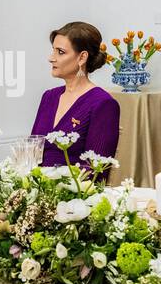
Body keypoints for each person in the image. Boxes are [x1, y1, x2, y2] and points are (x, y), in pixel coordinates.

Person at [30, 22, 120, 178]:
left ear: (82, 57)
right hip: (37, 191)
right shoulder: (49, 97)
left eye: (61, 52)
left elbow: (96, 171)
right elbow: (31, 151)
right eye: (53, 51)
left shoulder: (103, 104)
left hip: (74, 197)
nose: (51, 58)